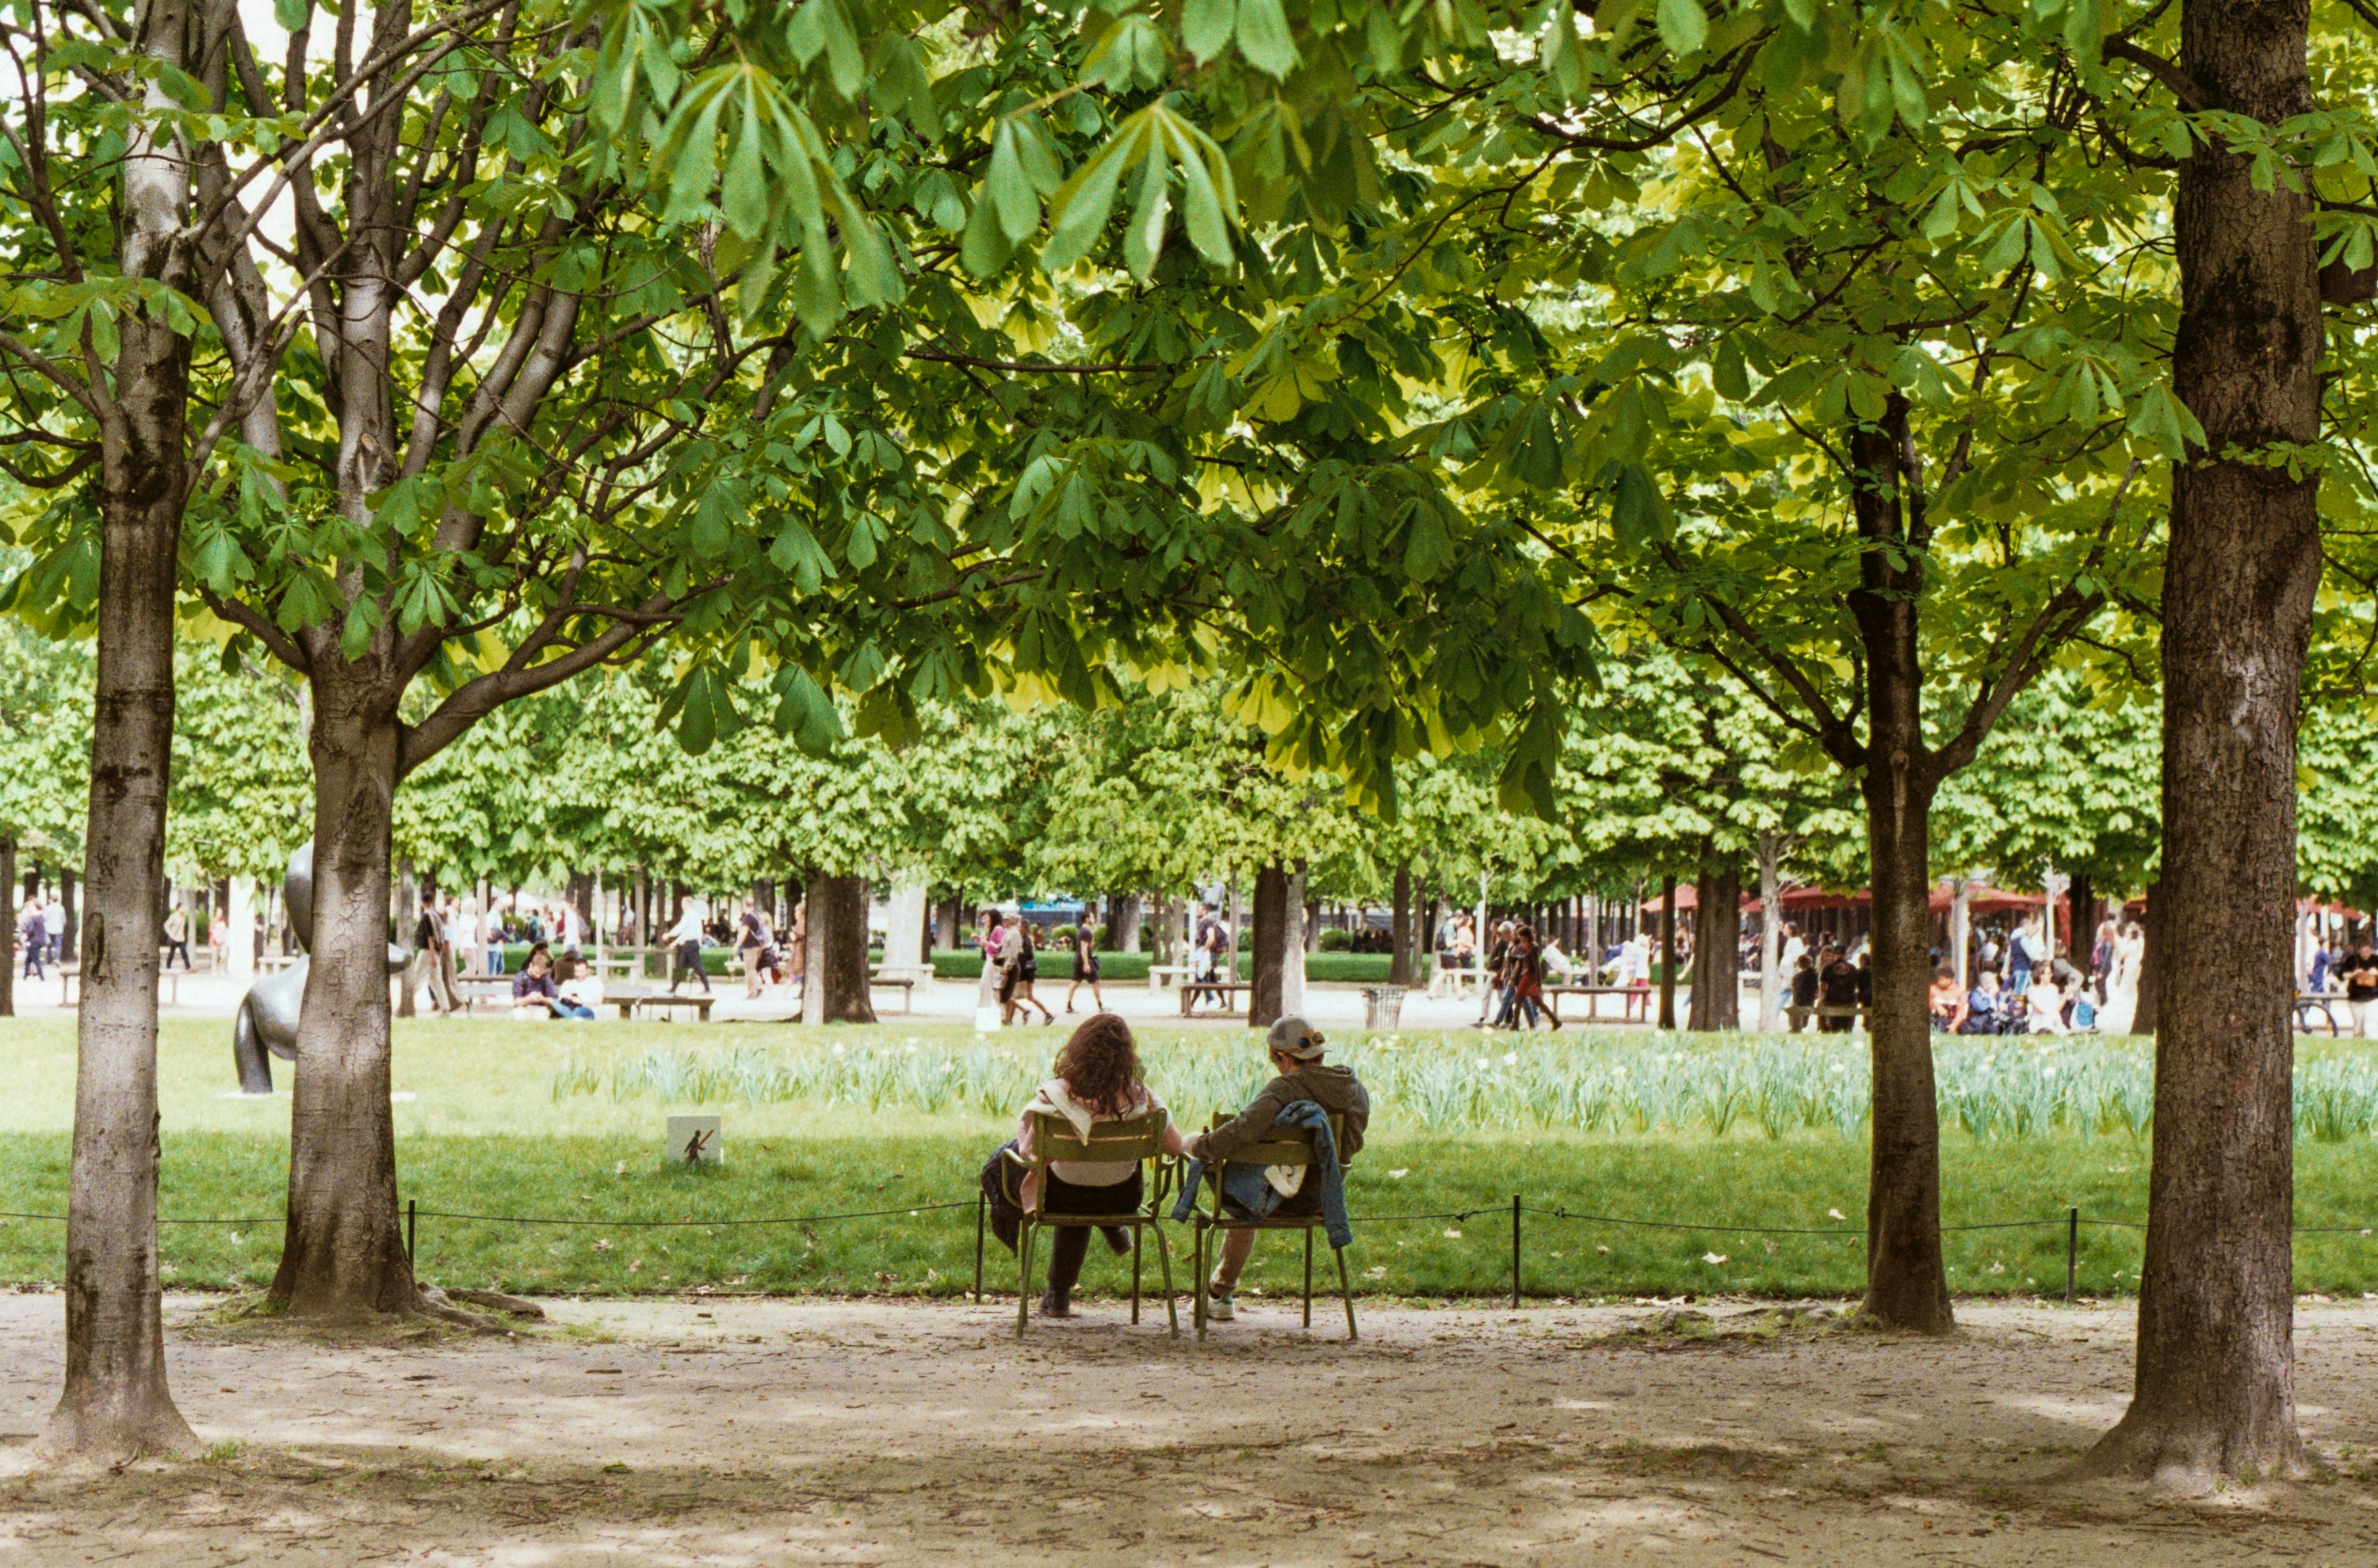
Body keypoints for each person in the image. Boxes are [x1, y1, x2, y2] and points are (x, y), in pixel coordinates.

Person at [981, 1012, 1187, 1318]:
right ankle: (1112, 1225)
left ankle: (1058, 1297)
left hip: (1062, 1196)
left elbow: (1030, 1151)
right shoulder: (1143, 1099)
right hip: (1122, 1198)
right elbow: (1174, 1147)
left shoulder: (1055, 1097)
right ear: (1127, 1056)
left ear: (1077, 1050)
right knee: (1097, 1186)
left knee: (1063, 1187)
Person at [1183, 1016, 1368, 1324]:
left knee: (1243, 1200)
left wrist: (1198, 1144)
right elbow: (1352, 1146)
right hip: (1322, 1199)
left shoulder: (1284, 1088)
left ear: (1282, 1057)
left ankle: (1221, 1291)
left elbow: (1241, 1131)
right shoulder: (1354, 1089)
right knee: (1259, 1184)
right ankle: (1220, 1292)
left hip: (1273, 1199)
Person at [511, 945, 594, 1019]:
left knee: (541, 1016)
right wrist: (530, 998)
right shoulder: (520, 978)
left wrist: (542, 998)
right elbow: (517, 1002)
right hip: (523, 1007)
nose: (539, 976)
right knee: (519, 1014)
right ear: (531, 966)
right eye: (536, 972)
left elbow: (554, 1001)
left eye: (541, 973)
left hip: (541, 1008)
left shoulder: (546, 978)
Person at [1000, 916, 1055, 1026]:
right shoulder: (1026, 940)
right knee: (1022, 996)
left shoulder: (1024, 941)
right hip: (1028, 973)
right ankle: (1009, 1019)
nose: (1018, 928)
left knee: (1011, 996)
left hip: (1025, 973)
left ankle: (1012, 1018)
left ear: (1024, 929)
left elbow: (1022, 958)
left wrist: (1016, 973)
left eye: (1020, 926)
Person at [663, 901, 711, 994]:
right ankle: (673, 988)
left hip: (690, 944)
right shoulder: (696, 916)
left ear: (686, 905)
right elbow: (686, 932)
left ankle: (707, 988)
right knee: (681, 966)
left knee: (697, 966)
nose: (681, 905)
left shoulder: (688, 916)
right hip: (691, 943)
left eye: (682, 904)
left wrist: (669, 935)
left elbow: (680, 928)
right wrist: (675, 942)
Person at [2339, 935, 2378, 1038]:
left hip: (2373, 998)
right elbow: (2341, 975)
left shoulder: (2376, 960)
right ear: (2359, 950)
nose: (2365, 955)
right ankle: (2358, 1045)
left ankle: (2371, 1048)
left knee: (2371, 1027)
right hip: (2355, 998)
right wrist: (2354, 974)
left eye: (2368, 951)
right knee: (2358, 1028)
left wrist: (2376, 973)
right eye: (2363, 952)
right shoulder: (2351, 960)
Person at [1815, 945, 1860, 1033]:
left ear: (1834, 955)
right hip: (1849, 1002)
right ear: (1845, 955)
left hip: (1832, 1002)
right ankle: (1848, 1028)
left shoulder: (1827, 968)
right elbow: (1856, 987)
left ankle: (1823, 1028)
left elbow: (1822, 988)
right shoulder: (1853, 968)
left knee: (1820, 1005)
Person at [1064, 922, 1103, 1013]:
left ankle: (1069, 1006)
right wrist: (1086, 963)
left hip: (1078, 961)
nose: (1094, 919)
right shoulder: (1086, 932)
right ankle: (1100, 1006)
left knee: (1074, 983)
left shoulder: (1081, 931)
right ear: (1087, 919)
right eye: (1092, 917)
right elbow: (1084, 949)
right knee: (1096, 982)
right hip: (1084, 961)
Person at [736, 897, 771, 1000]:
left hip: (750, 947)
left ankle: (752, 993)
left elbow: (744, 932)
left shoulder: (748, 917)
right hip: (759, 946)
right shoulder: (758, 915)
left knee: (750, 970)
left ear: (745, 905)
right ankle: (758, 988)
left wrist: (737, 945)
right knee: (753, 969)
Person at [1960, 970, 2009, 1034]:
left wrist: (2001, 1005)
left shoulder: (1996, 994)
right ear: (1985, 984)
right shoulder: (1976, 994)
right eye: (1993, 983)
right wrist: (1990, 995)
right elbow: (1981, 1008)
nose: (1995, 985)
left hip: (1992, 1018)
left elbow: (2000, 1006)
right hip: (1978, 1019)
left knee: (2007, 1022)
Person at [1928, 966, 1966, 1032]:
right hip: (1937, 1018)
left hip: (1953, 1019)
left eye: (1941, 980)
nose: (1939, 982)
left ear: (1950, 980)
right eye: (1938, 979)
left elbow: (1960, 1011)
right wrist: (1937, 1006)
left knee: (1967, 1029)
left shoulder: (1958, 991)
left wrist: (1954, 1025)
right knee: (1938, 1027)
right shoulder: (1933, 989)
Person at [1787, 950, 1818, 1031]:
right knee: (1804, 1020)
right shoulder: (1814, 974)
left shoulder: (1797, 977)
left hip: (1799, 1000)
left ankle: (1797, 1028)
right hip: (1808, 1000)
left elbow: (1794, 988)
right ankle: (1801, 1027)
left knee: (1797, 1020)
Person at [19, 897, 45, 982]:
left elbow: (30, 930)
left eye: (30, 906)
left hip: (34, 941)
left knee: (35, 959)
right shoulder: (41, 917)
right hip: (40, 940)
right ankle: (25, 975)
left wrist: (24, 937)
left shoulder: (33, 918)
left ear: (34, 907)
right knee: (28, 959)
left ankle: (41, 976)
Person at [162, 903, 192, 970]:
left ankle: (188, 967)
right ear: (178, 908)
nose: (183, 909)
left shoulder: (183, 917)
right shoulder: (174, 916)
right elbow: (166, 925)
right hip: (174, 938)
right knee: (172, 954)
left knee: (184, 953)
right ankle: (168, 966)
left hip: (181, 938)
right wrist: (171, 934)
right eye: (182, 908)